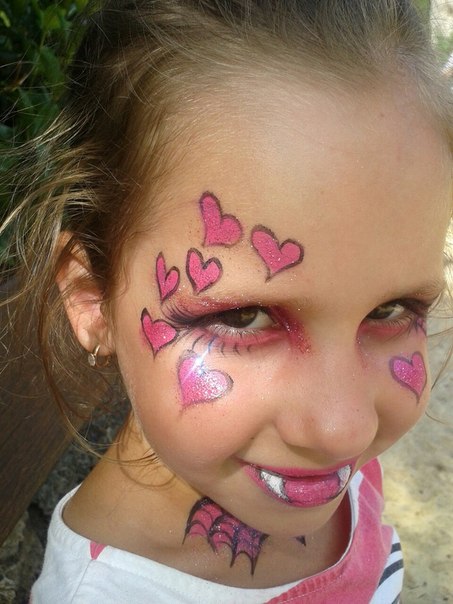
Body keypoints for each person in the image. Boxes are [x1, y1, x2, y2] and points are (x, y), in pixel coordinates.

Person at [1, 1, 452, 602]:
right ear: (92, 299)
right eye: (243, 317)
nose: (346, 430)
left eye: (391, 310)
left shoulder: (313, 466)